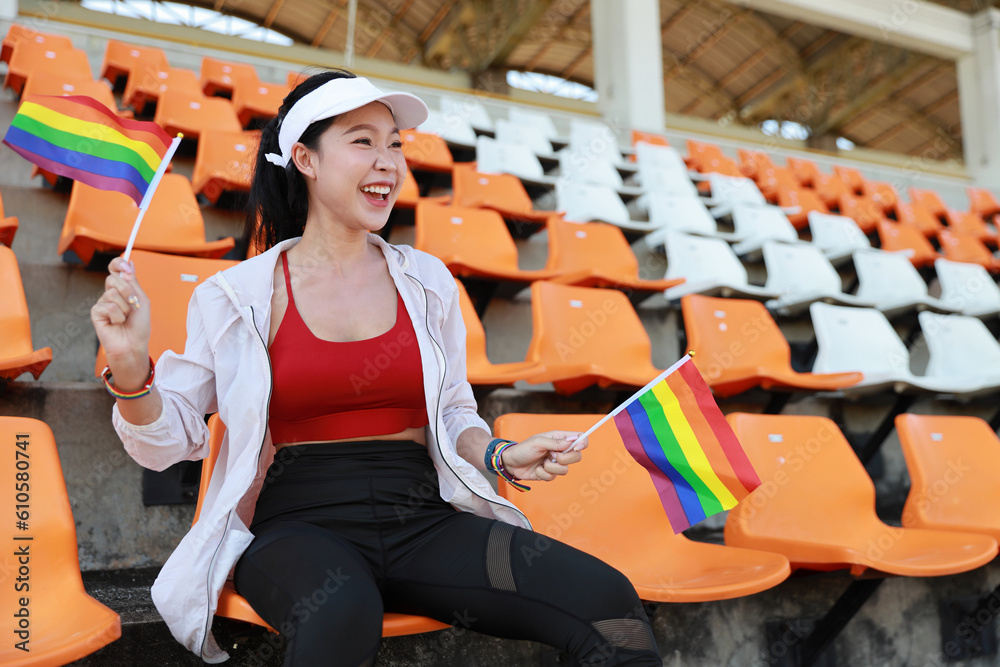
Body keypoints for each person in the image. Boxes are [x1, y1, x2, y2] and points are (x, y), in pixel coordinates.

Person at [91, 68, 662, 666]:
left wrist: (499, 455)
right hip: (298, 526)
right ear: (306, 159)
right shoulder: (237, 295)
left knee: (605, 601)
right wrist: (130, 371)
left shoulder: (427, 281)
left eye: (395, 144)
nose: (388, 161)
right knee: (340, 614)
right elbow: (168, 441)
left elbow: (452, 411)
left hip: (424, 519)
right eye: (363, 141)